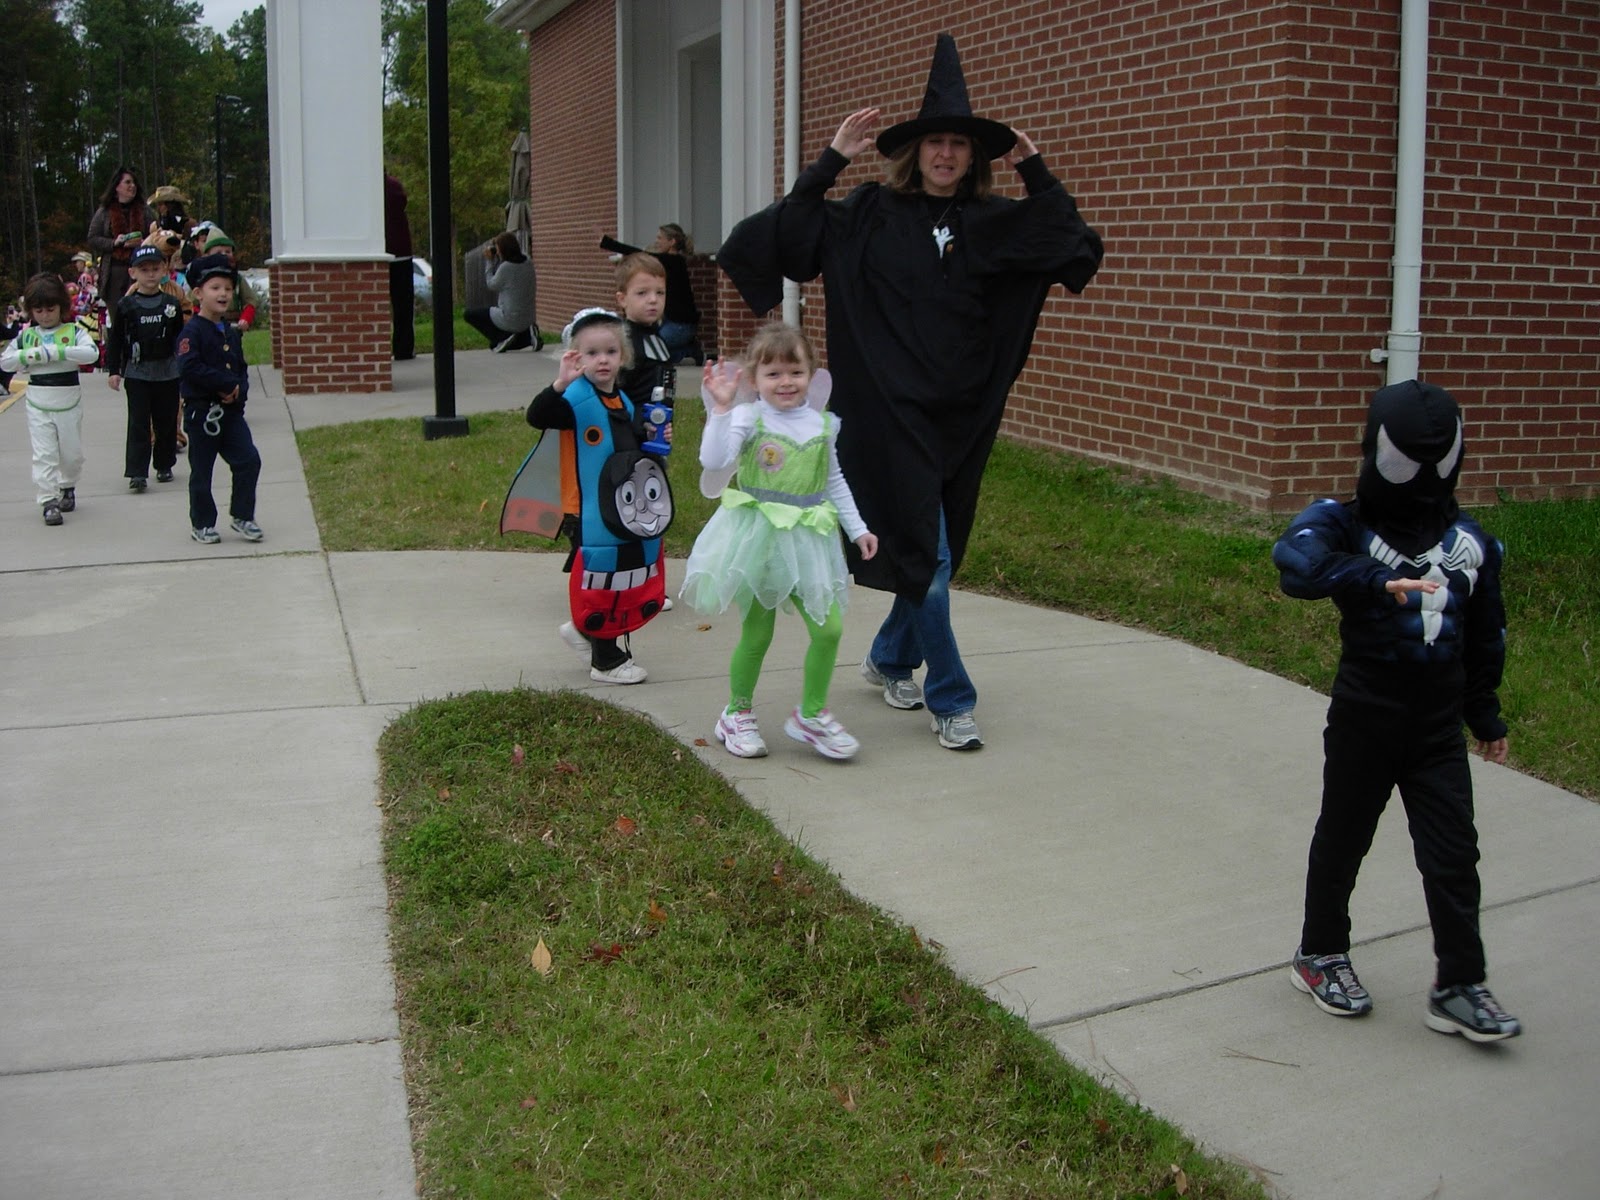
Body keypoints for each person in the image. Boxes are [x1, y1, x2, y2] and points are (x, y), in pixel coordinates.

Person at [717, 34, 1103, 751]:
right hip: (884, 413)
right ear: (914, 151)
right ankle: (951, 697)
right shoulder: (868, 213)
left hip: (961, 416)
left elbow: (1071, 243)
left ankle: (893, 655)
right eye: (935, 143)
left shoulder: (991, 224)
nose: (947, 154)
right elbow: (783, 237)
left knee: (934, 545)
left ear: (974, 156)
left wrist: (1036, 169)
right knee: (930, 551)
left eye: (960, 143)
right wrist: (830, 158)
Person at [1273, 380, 1522, 1044]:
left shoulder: (1471, 544)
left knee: (1452, 853)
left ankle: (1459, 984)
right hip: (1365, 715)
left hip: (1436, 726)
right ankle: (1320, 953)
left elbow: (1485, 633)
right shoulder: (1343, 523)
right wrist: (1369, 578)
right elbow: (1294, 564)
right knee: (1345, 837)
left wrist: (1485, 714)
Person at [681, 323, 877, 761]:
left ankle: (810, 714)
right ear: (754, 380)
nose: (785, 382)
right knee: (758, 633)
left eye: (795, 372)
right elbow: (714, 460)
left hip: (809, 540)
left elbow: (834, 481)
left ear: (811, 374)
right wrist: (721, 409)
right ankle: (736, 713)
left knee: (830, 629)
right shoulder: (749, 418)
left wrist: (858, 528)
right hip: (761, 539)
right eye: (773, 374)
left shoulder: (824, 424)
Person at [525, 308, 671, 683]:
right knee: (600, 579)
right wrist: (559, 384)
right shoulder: (573, 399)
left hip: (620, 510)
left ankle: (584, 631)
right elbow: (538, 415)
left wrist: (656, 442)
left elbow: (635, 446)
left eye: (609, 352)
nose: (602, 360)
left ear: (622, 357)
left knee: (617, 576)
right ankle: (605, 661)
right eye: (591, 353)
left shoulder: (622, 400)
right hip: (586, 510)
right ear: (575, 358)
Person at [0, 274, 100, 525]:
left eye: (50, 309)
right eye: (39, 310)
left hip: (68, 400)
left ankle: (67, 486)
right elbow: (5, 361)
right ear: (31, 311)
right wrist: (29, 355)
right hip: (38, 402)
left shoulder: (73, 332)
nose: (45, 315)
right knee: (44, 454)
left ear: (62, 308)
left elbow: (92, 354)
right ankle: (48, 500)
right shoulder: (26, 337)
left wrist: (59, 351)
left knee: (71, 453)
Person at [178, 254, 262, 545]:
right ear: (198, 293)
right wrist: (224, 384)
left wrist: (239, 391)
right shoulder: (192, 331)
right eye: (215, 288)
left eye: (227, 288)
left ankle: (242, 515)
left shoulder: (231, 331)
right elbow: (190, 368)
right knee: (202, 471)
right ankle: (202, 523)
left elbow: (240, 367)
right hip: (202, 414)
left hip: (230, 413)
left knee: (248, 460)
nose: (223, 294)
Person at [107, 244, 185, 492]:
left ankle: (164, 464)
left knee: (166, 421)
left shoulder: (171, 304)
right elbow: (116, 339)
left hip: (167, 372)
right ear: (133, 273)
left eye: (155, 269)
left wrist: (185, 369)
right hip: (138, 372)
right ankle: (137, 472)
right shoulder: (127, 306)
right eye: (144, 270)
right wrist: (114, 370)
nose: (150, 274)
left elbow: (181, 339)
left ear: (164, 270)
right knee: (139, 423)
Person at [600, 223, 701, 361]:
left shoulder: (674, 261)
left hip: (681, 325)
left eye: (660, 238)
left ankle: (690, 350)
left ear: (672, 242)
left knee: (656, 354)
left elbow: (639, 254)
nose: (657, 241)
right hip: (670, 321)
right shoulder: (668, 261)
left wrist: (608, 243)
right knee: (648, 347)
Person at [87, 166, 157, 321]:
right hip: (114, 272)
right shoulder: (104, 211)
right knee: (118, 317)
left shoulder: (144, 211)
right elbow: (92, 238)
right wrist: (114, 243)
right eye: (128, 182)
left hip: (141, 268)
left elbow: (156, 235)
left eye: (134, 183)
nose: (132, 186)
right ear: (117, 186)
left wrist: (143, 242)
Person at [612, 251, 675, 412]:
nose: (653, 299)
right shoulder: (623, 341)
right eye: (642, 293)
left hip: (658, 425)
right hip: (630, 429)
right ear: (622, 299)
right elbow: (613, 394)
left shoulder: (658, 337)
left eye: (660, 292)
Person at [466, 231, 538, 353]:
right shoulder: (528, 262)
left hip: (509, 317)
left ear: (504, 250)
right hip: (529, 317)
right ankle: (527, 335)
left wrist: (489, 262)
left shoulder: (506, 268)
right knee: (499, 340)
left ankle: (504, 338)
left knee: (470, 315)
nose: (497, 252)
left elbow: (491, 284)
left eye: (498, 249)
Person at [198, 228, 258, 331]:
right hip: (207, 326)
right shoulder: (202, 279)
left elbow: (250, 301)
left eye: (228, 251)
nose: (224, 255)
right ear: (207, 255)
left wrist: (245, 319)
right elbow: (192, 303)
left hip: (233, 326)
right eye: (219, 252)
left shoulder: (237, 279)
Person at [384, 173, 415, 360]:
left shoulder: (368, 189)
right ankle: (403, 348)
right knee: (403, 305)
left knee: (379, 305)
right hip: (402, 254)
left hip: (381, 254)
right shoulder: (395, 186)